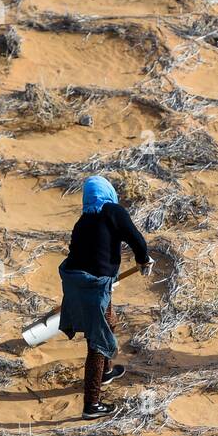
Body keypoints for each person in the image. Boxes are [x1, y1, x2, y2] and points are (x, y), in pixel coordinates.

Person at [59, 175, 152, 419]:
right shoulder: (113, 211)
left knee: (106, 321)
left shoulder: (82, 221)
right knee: (98, 342)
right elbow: (135, 238)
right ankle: (92, 405)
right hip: (94, 285)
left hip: (75, 281)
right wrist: (143, 259)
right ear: (107, 192)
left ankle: (106, 372)